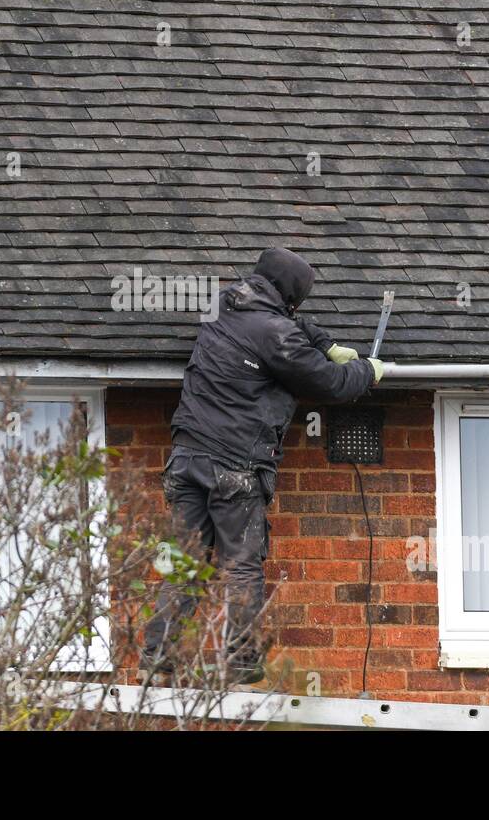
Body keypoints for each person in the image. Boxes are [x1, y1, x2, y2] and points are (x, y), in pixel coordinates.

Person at [139, 247, 383, 684]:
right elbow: (329, 383)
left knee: (183, 563)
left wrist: (327, 344)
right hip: (234, 465)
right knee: (242, 564)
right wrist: (368, 370)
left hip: (186, 458)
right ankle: (241, 661)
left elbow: (286, 323)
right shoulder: (277, 333)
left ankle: (157, 658)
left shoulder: (223, 304)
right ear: (291, 298)